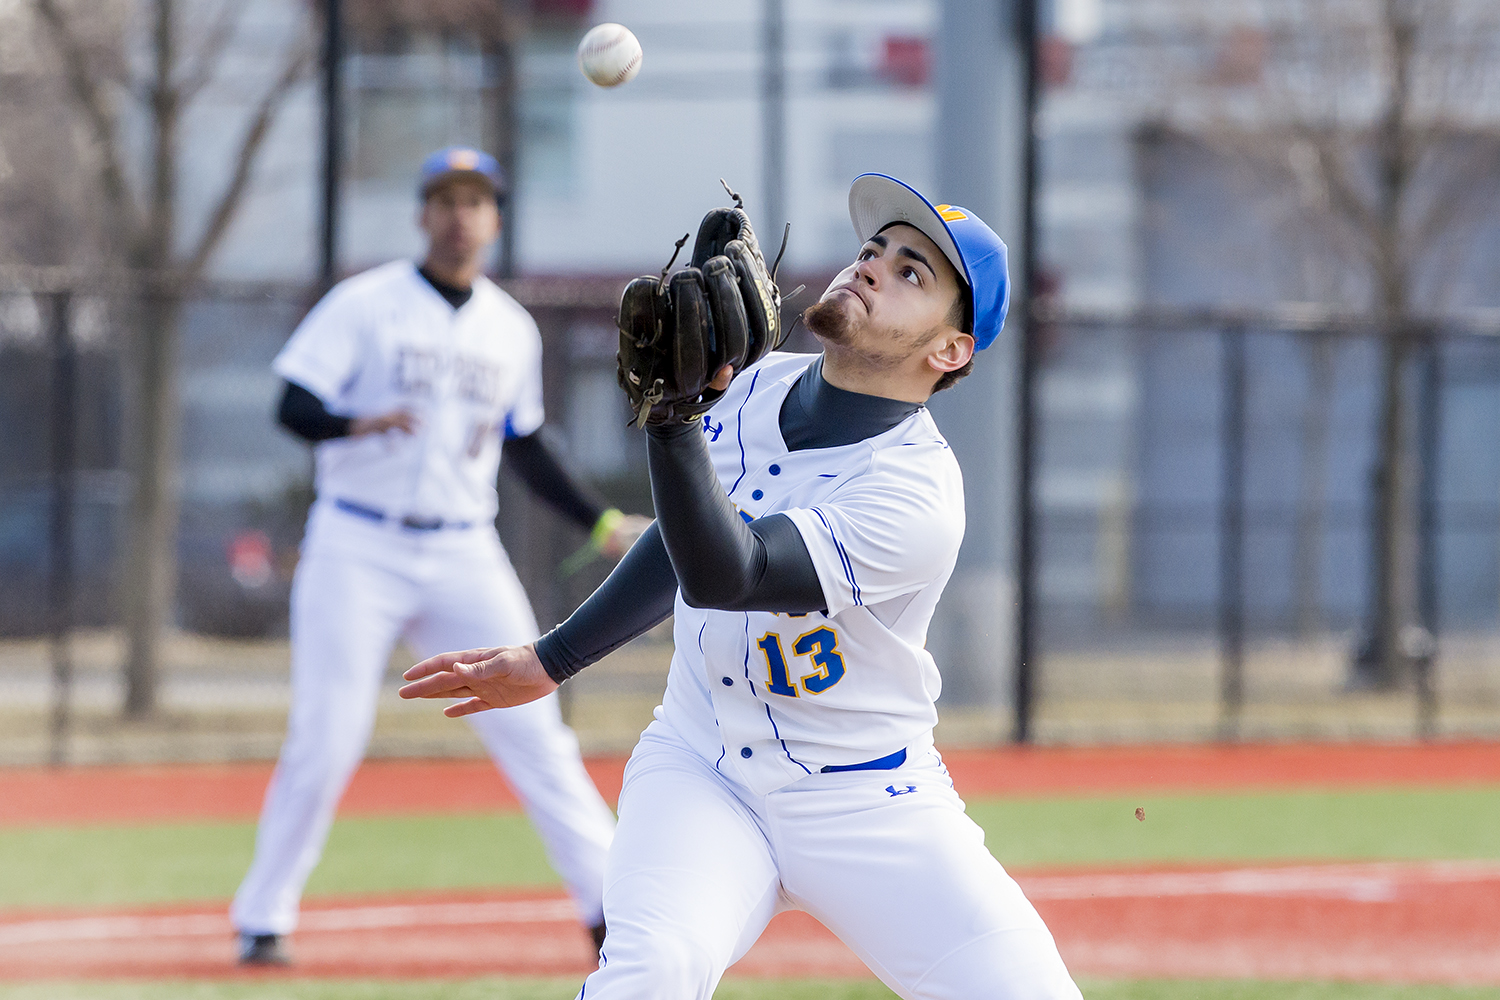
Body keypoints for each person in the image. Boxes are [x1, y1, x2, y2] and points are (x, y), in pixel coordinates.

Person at [400, 173, 1083, 998]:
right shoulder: (754, 386)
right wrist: (551, 661)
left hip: (867, 797)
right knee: (651, 974)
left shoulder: (916, 494)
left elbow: (733, 574)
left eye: (912, 273)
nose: (871, 266)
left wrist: (672, 419)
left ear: (950, 351)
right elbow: (684, 545)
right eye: (875, 249)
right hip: (702, 770)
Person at [232, 146, 643, 966]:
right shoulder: (365, 304)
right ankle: (264, 918)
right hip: (356, 540)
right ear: (423, 214)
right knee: (328, 731)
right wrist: (358, 424)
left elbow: (526, 446)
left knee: (536, 725)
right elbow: (293, 404)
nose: (462, 215)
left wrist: (599, 523)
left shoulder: (509, 328)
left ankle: (611, 908)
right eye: (447, 199)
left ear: (495, 218)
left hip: (462, 549)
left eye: (478, 200)